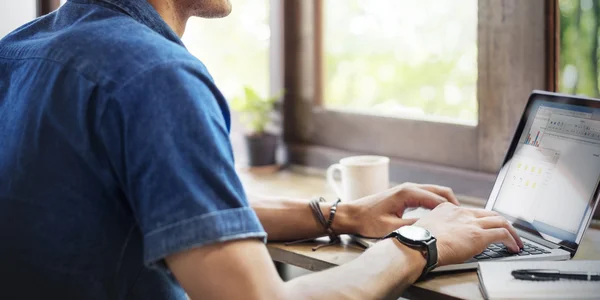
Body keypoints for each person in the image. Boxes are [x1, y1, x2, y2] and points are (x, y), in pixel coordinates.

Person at [0, 0, 523, 299]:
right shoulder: (156, 77)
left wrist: (338, 215)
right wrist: (419, 243)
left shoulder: (18, 53)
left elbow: (149, 210)